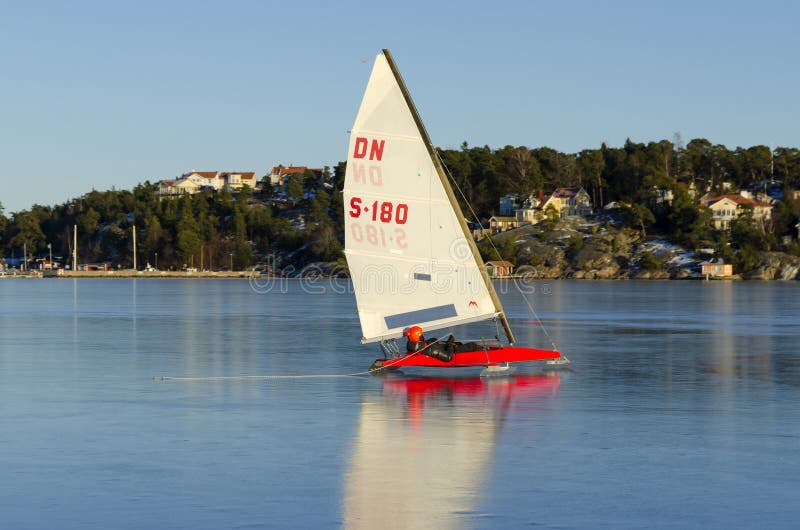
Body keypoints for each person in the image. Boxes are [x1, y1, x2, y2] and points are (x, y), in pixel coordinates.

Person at [404, 326, 482, 362]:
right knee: (472, 345)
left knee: (460, 343)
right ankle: (486, 352)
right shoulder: (431, 350)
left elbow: (427, 344)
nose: (423, 335)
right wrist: (450, 343)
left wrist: (433, 340)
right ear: (419, 336)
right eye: (421, 334)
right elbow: (448, 357)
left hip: (445, 348)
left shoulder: (415, 346)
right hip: (453, 352)